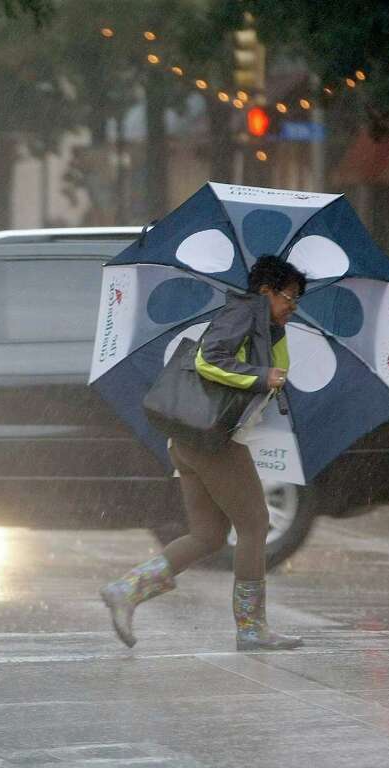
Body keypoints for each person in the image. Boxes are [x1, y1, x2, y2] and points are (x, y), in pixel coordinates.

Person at [101, 254, 307, 651]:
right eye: (288, 297)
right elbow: (208, 358)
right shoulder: (243, 314)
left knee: (208, 535)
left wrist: (274, 349)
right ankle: (251, 627)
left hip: (189, 441)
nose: (293, 307)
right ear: (265, 291)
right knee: (254, 525)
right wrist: (261, 375)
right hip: (215, 442)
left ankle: (126, 591)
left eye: (297, 301)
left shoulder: (263, 327)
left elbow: (274, 375)